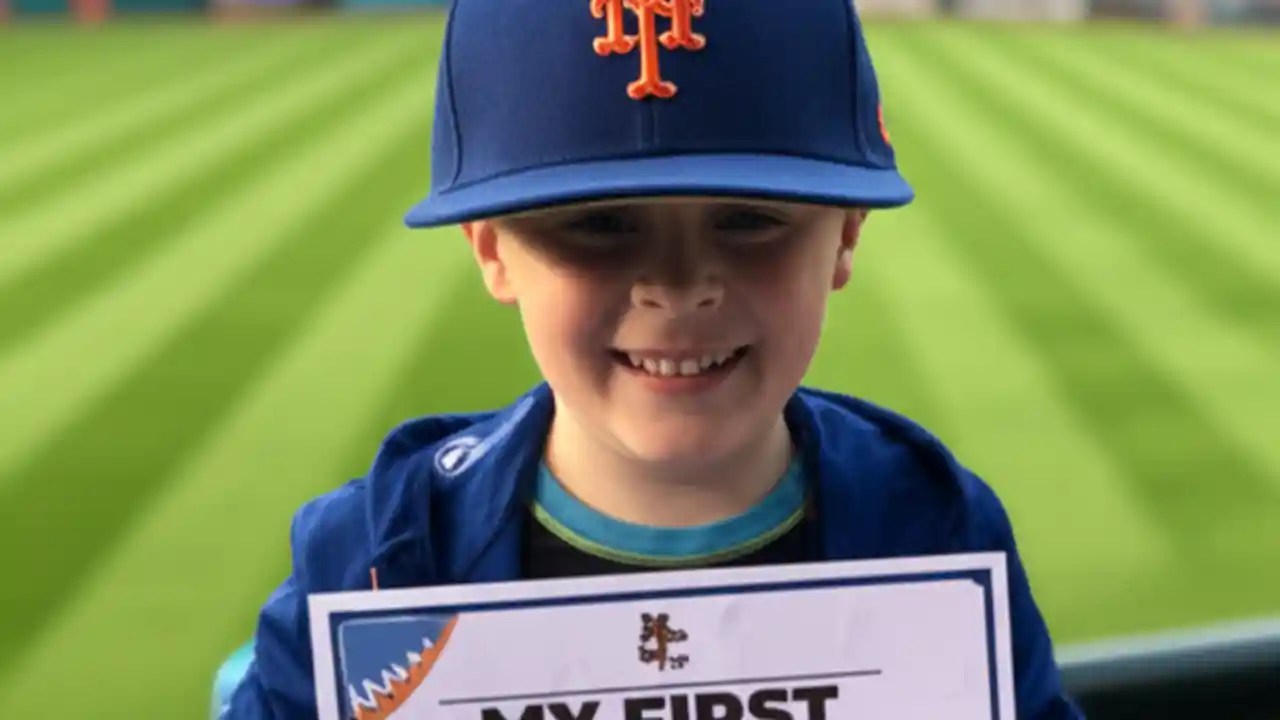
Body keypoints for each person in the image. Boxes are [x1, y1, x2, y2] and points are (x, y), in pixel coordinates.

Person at [223, 0, 1084, 717]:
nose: (678, 288)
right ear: (490, 248)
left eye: (749, 218)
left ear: (846, 236)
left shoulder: (934, 530)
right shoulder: (378, 563)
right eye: (600, 224)